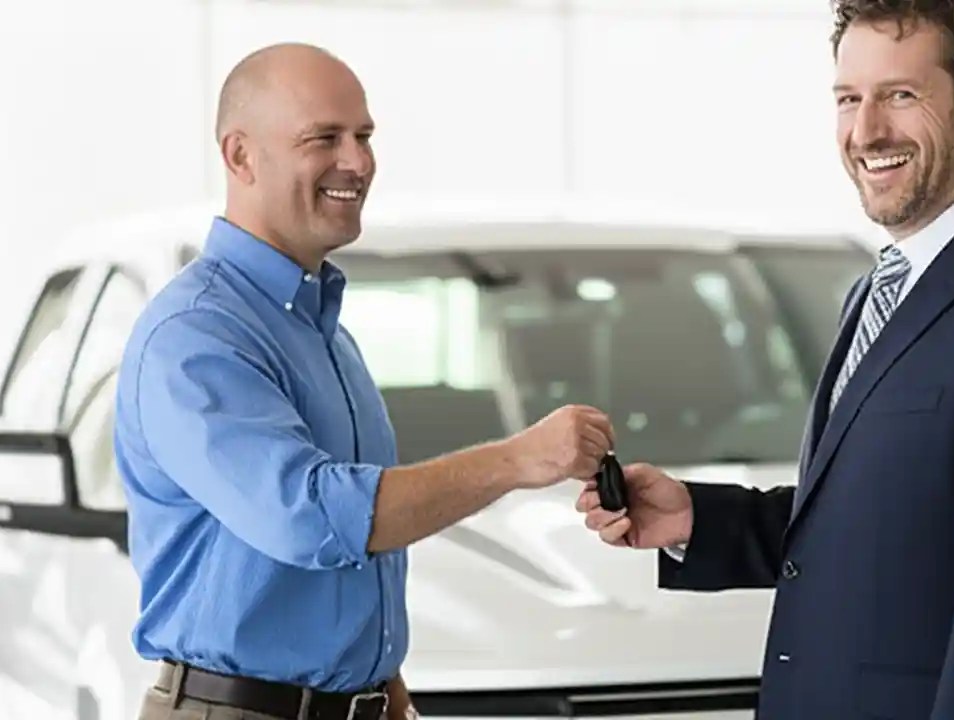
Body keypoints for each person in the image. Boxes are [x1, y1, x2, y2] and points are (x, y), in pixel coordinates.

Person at [576, 1, 954, 718]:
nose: (866, 131)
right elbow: (889, 526)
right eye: (849, 99)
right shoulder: (880, 288)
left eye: (901, 96)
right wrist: (701, 520)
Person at [115, 43, 616, 720]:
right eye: (324, 138)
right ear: (240, 156)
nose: (358, 162)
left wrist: (380, 679)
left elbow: (343, 562)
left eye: (364, 136)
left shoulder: (320, 328)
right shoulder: (197, 336)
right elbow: (313, 516)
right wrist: (520, 459)